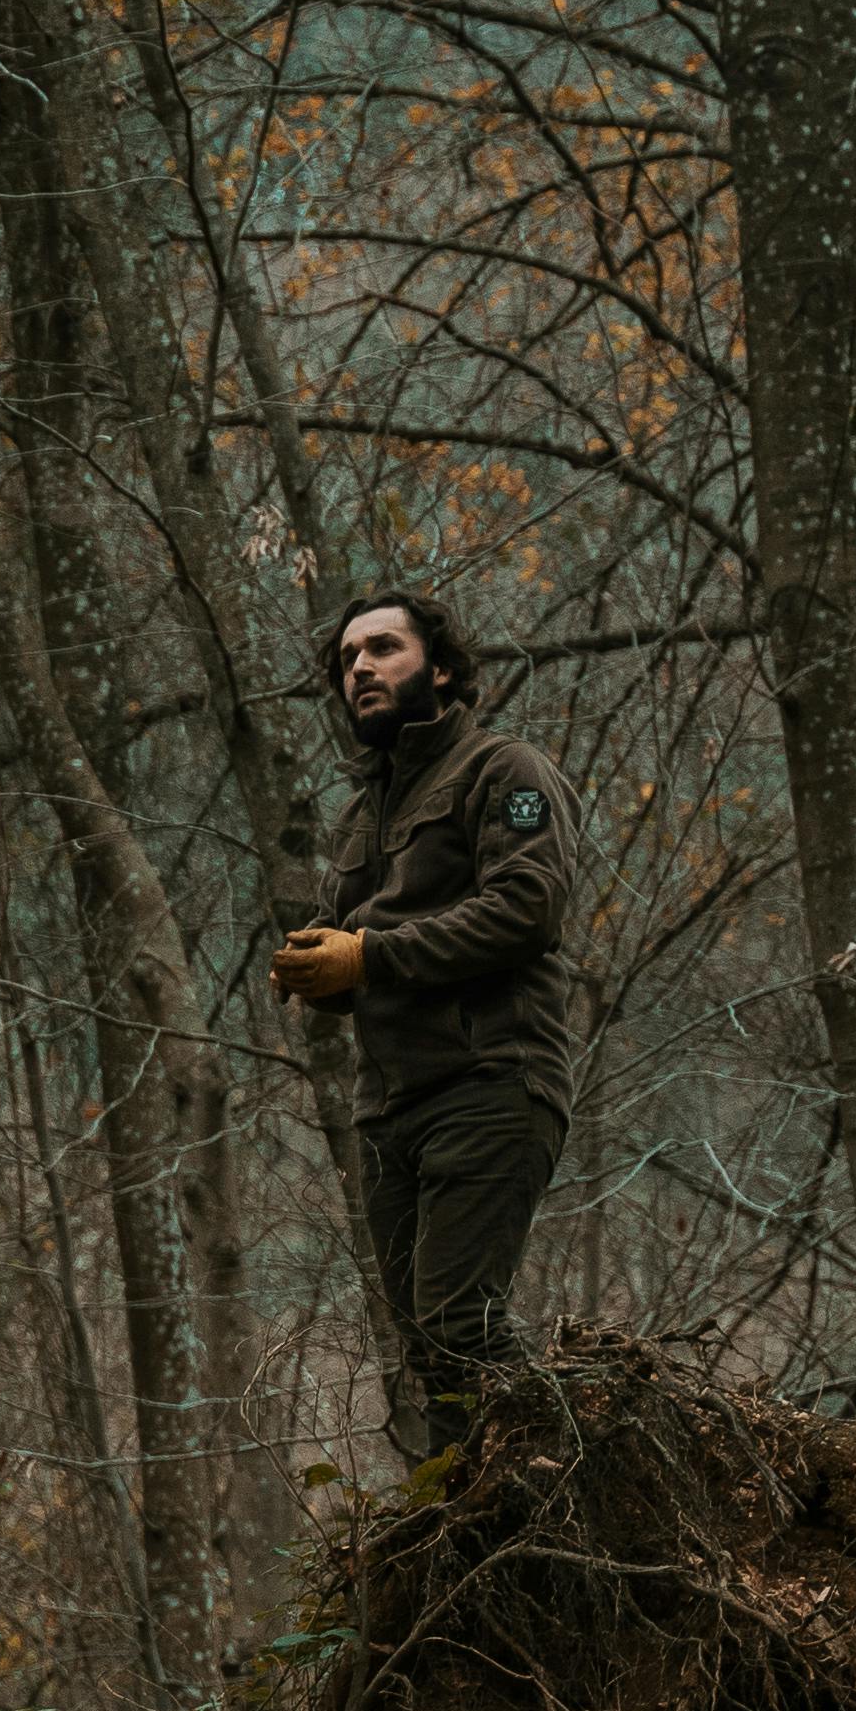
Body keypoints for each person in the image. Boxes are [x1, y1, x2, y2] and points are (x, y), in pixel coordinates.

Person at [271, 590, 581, 1436]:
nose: (361, 668)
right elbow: (358, 961)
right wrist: (321, 975)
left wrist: (368, 954)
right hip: (391, 1108)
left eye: (383, 649)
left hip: (490, 1081)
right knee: (429, 1348)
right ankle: (477, 1525)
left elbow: (528, 910)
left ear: (440, 668)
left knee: (459, 1324)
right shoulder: (360, 814)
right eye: (346, 660)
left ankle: (575, 1480)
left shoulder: (505, 772)